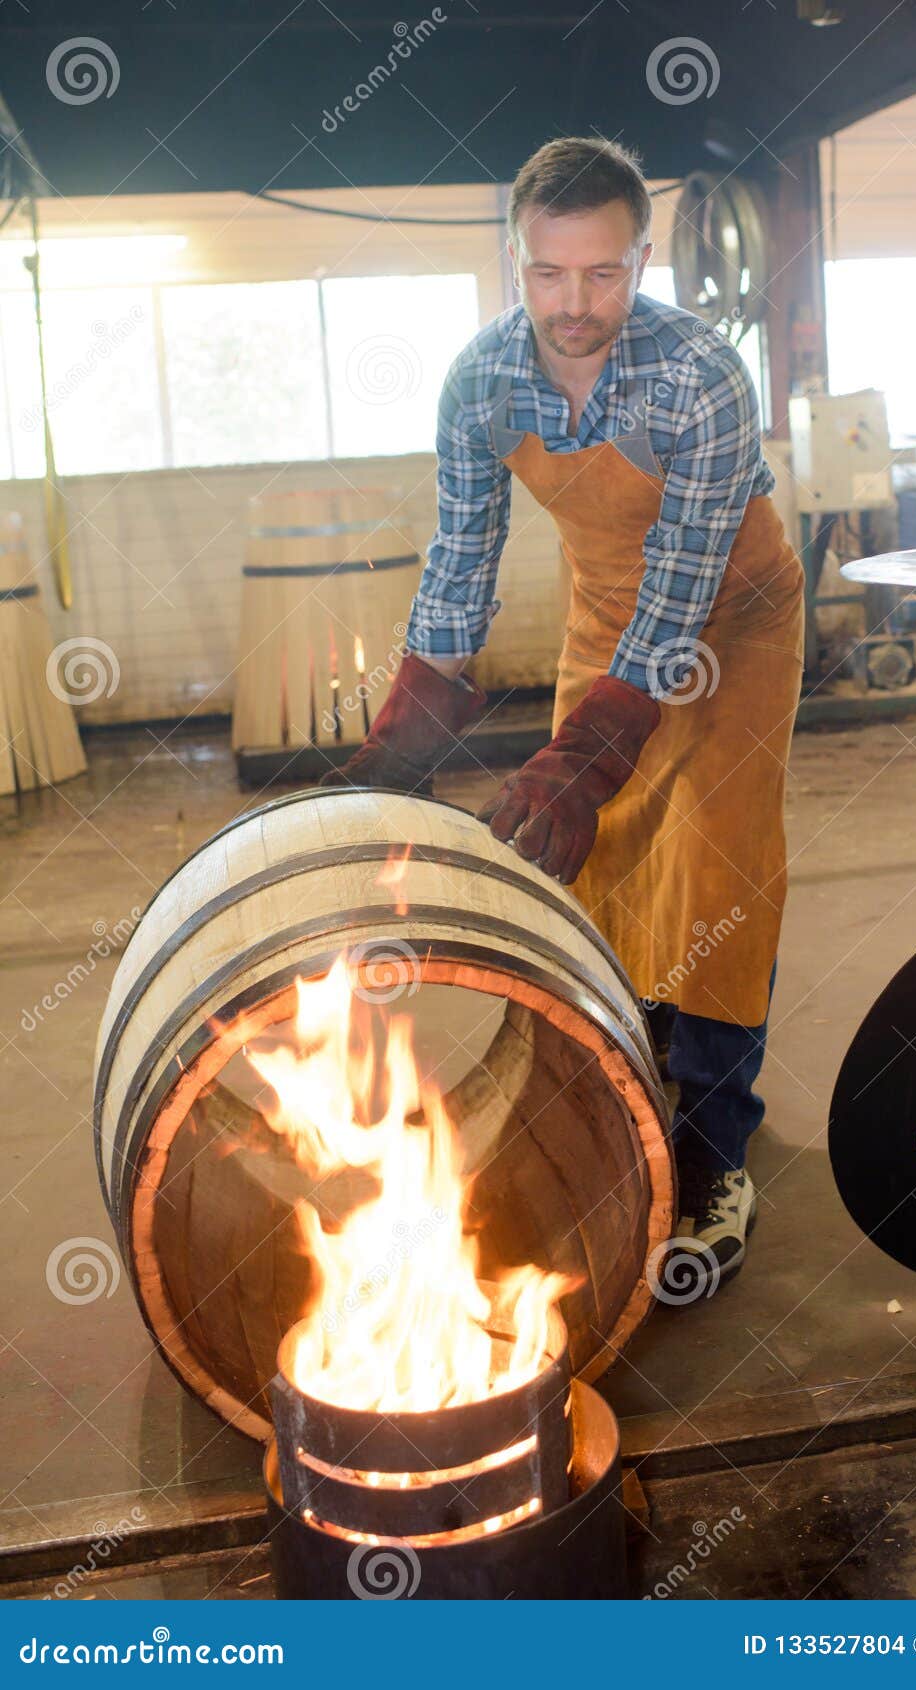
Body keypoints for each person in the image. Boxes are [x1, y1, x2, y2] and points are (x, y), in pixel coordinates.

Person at [322, 136, 804, 1284]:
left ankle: (713, 1145)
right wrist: (408, 734)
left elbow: (684, 584)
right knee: (594, 863)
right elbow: (461, 559)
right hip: (607, 612)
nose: (575, 303)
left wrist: (588, 750)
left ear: (640, 260)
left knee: (715, 864)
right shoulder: (482, 381)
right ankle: (625, 1093)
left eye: (602, 273)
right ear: (515, 262)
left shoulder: (700, 375)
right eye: (550, 274)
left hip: (732, 618)